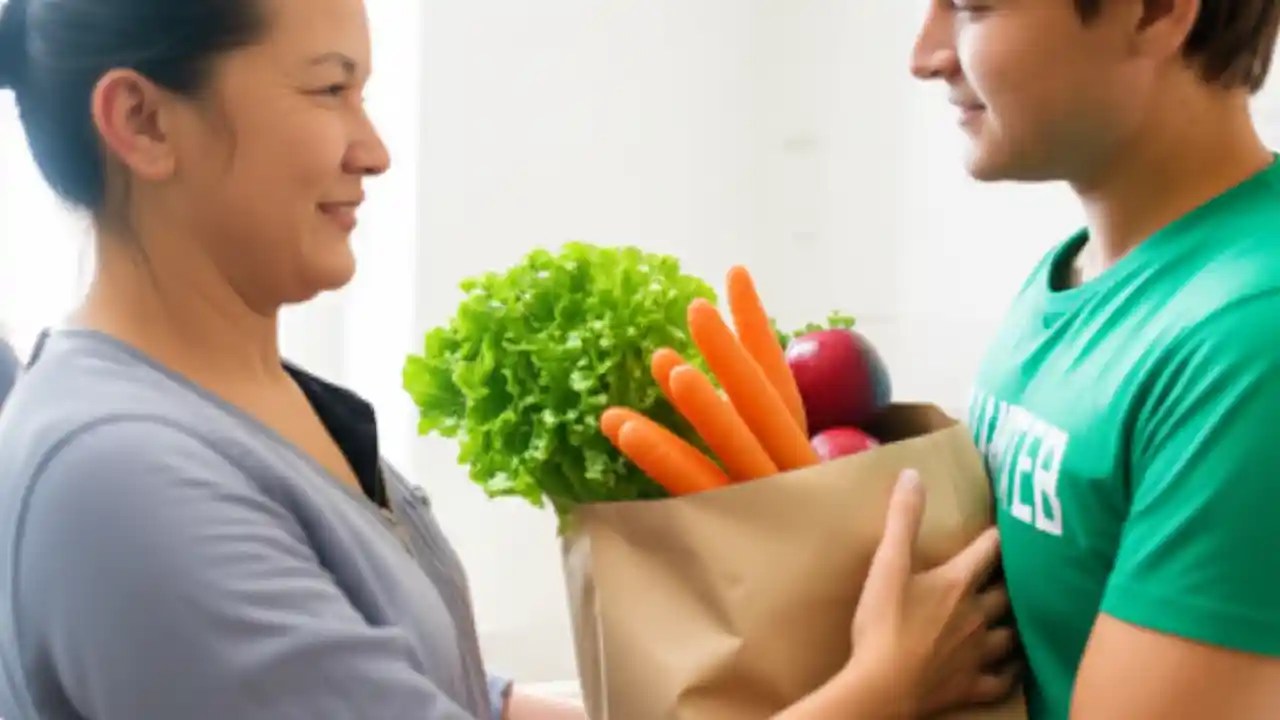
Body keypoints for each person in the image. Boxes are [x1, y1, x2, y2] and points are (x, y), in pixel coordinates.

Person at [0, 0, 1019, 718]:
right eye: (327, 89)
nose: (373, 148)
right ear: (141, 120)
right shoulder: (118, 479)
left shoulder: (260, 404)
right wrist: (873, 694)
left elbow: (417, 690)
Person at [911, 0, 1280, 718]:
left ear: (1157, 11)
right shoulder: (1076, 272)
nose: (925, 56)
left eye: (971, 7)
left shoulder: (1250, 341)